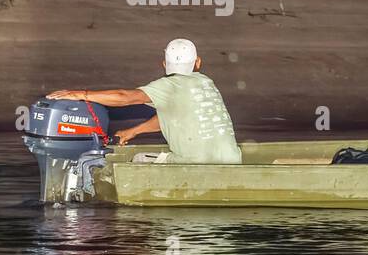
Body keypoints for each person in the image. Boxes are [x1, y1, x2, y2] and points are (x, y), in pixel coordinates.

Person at [47, 38, 243, 165]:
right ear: (198, 62)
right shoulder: (206, 82)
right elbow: (172, 116)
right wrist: (133, 131)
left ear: (165, 64)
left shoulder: (169, 85)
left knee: (137, 161)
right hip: (233, 161)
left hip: (194, 164)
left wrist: (81, 94)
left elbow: (125, 97)